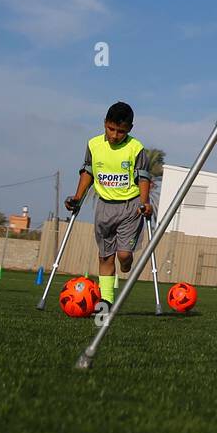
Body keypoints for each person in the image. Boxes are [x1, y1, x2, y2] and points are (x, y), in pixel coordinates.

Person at [65, 102, 154, 308]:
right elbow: (88, 171)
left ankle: (126, 262)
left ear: (130, 129)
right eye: (111, 129)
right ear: (104, 123)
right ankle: (106, 301)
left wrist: (144, 202)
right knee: (105, 256)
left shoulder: (136, 148)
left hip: (130, 206)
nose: (115, 135)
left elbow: (143, 177)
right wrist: (77, 197)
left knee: (123, 255)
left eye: (121, 131)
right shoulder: (94, 144)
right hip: (104, 206)